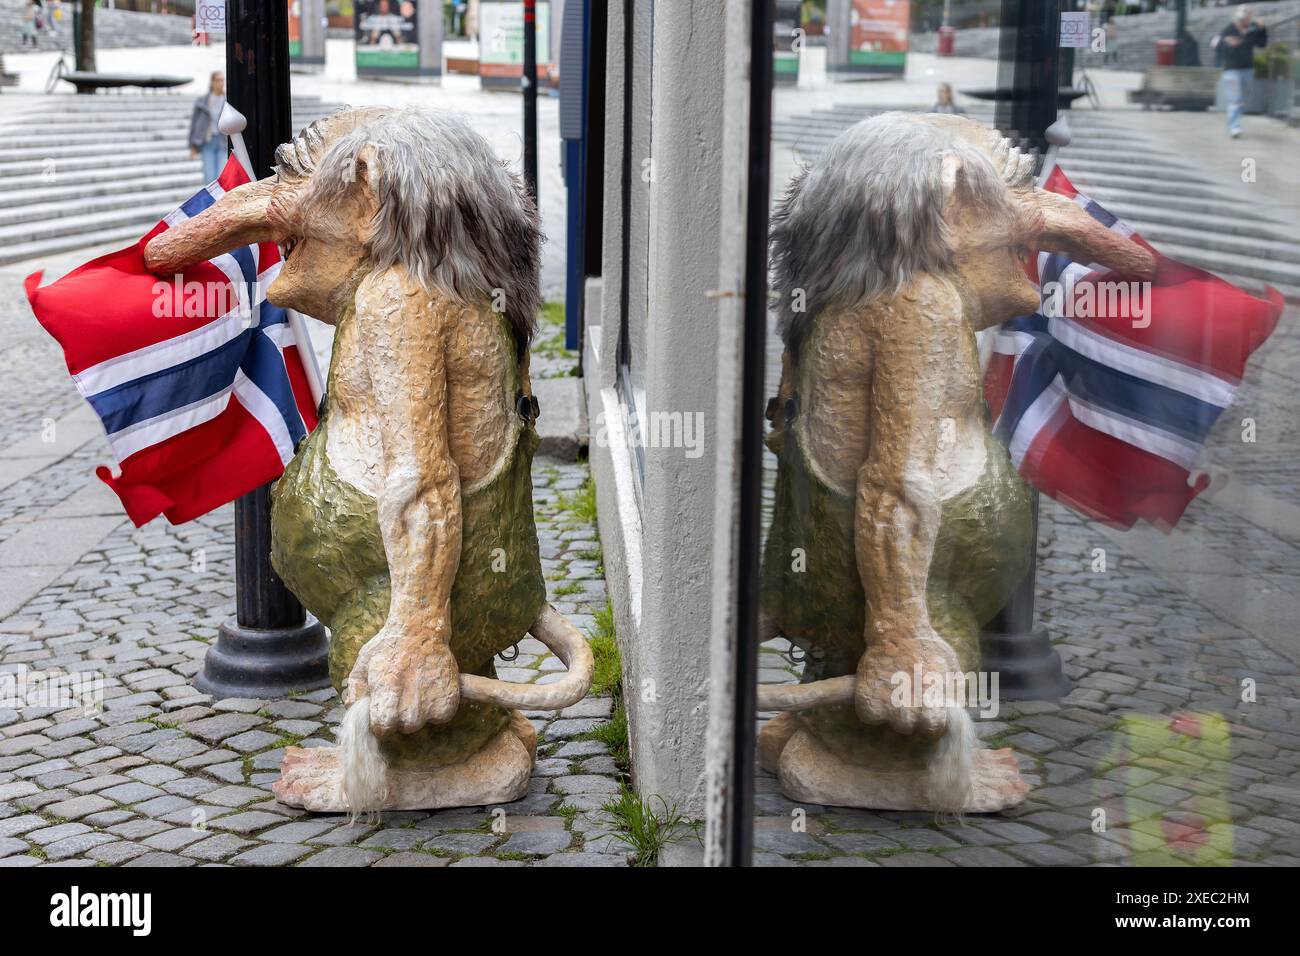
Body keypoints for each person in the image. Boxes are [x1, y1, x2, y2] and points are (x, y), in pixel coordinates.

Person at [1218, 4, 1268, 138]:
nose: (1249, 19)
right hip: (1231, 70)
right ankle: (1234, 128)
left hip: (1247, 68)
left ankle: (1233, 122)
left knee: (1243, 99)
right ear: (1240, 17)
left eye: (1250, 16)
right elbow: (1218, 47)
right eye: (1246, 16)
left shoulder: (1253, 30)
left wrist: (1263, 30)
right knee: (1234, 99)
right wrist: (1228, 44)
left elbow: (1262, 44)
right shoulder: (1229, 29)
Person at [188, 71, 228, 183]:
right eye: (218, 80)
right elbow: (195, 123)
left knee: (221, 175)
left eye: (222, 80)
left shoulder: (227, 100)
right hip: (208, 142)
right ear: (212, 82)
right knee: (209, 176)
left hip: (223, 142)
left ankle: (221, 200)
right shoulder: (202, 101)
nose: (221, 83)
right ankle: (211, 201)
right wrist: (193, 146)